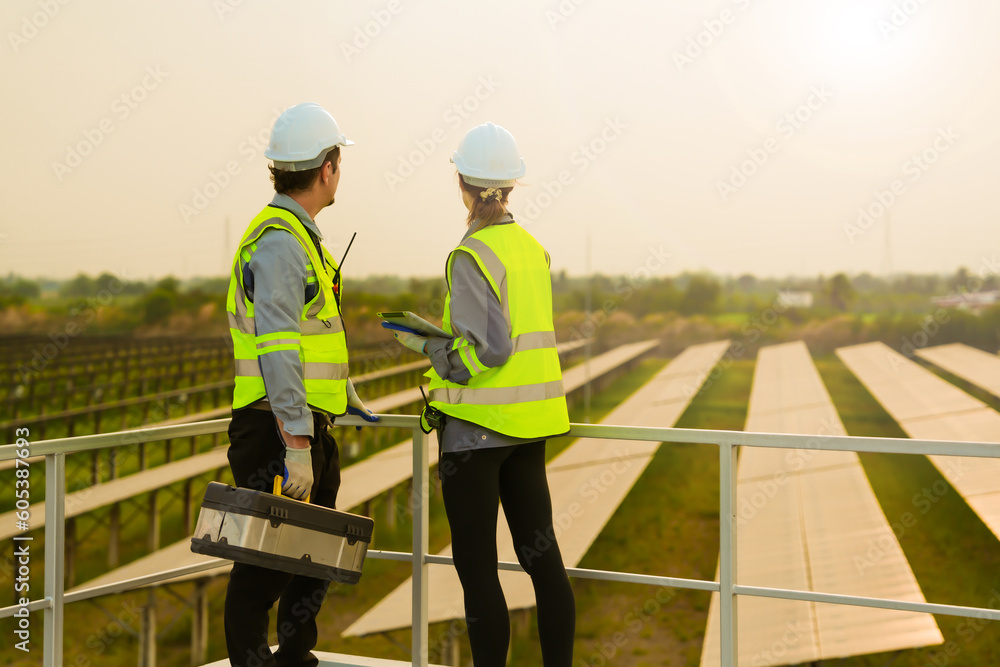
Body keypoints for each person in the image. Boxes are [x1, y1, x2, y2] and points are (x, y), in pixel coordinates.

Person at [391, 122, 576, 666]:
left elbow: (488, 351)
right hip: (532, 428)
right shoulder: (532, 250)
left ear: (463, 185)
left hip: (476, 436)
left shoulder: (469, 255)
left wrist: (434, 352)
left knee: (477, 570)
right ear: (511, 186)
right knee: (543, 562)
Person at [224, 101, 378, 667]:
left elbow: (312, 336)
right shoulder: (283, 242)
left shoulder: (299, 236)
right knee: (265, 557)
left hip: (305, 419)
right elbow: (279, 347)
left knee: (313, 551)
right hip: (275, 426)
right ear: (327, 167)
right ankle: (251, 660)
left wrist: (342, 393)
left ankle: (294, 656)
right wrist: (295, 443)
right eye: (339, 160)